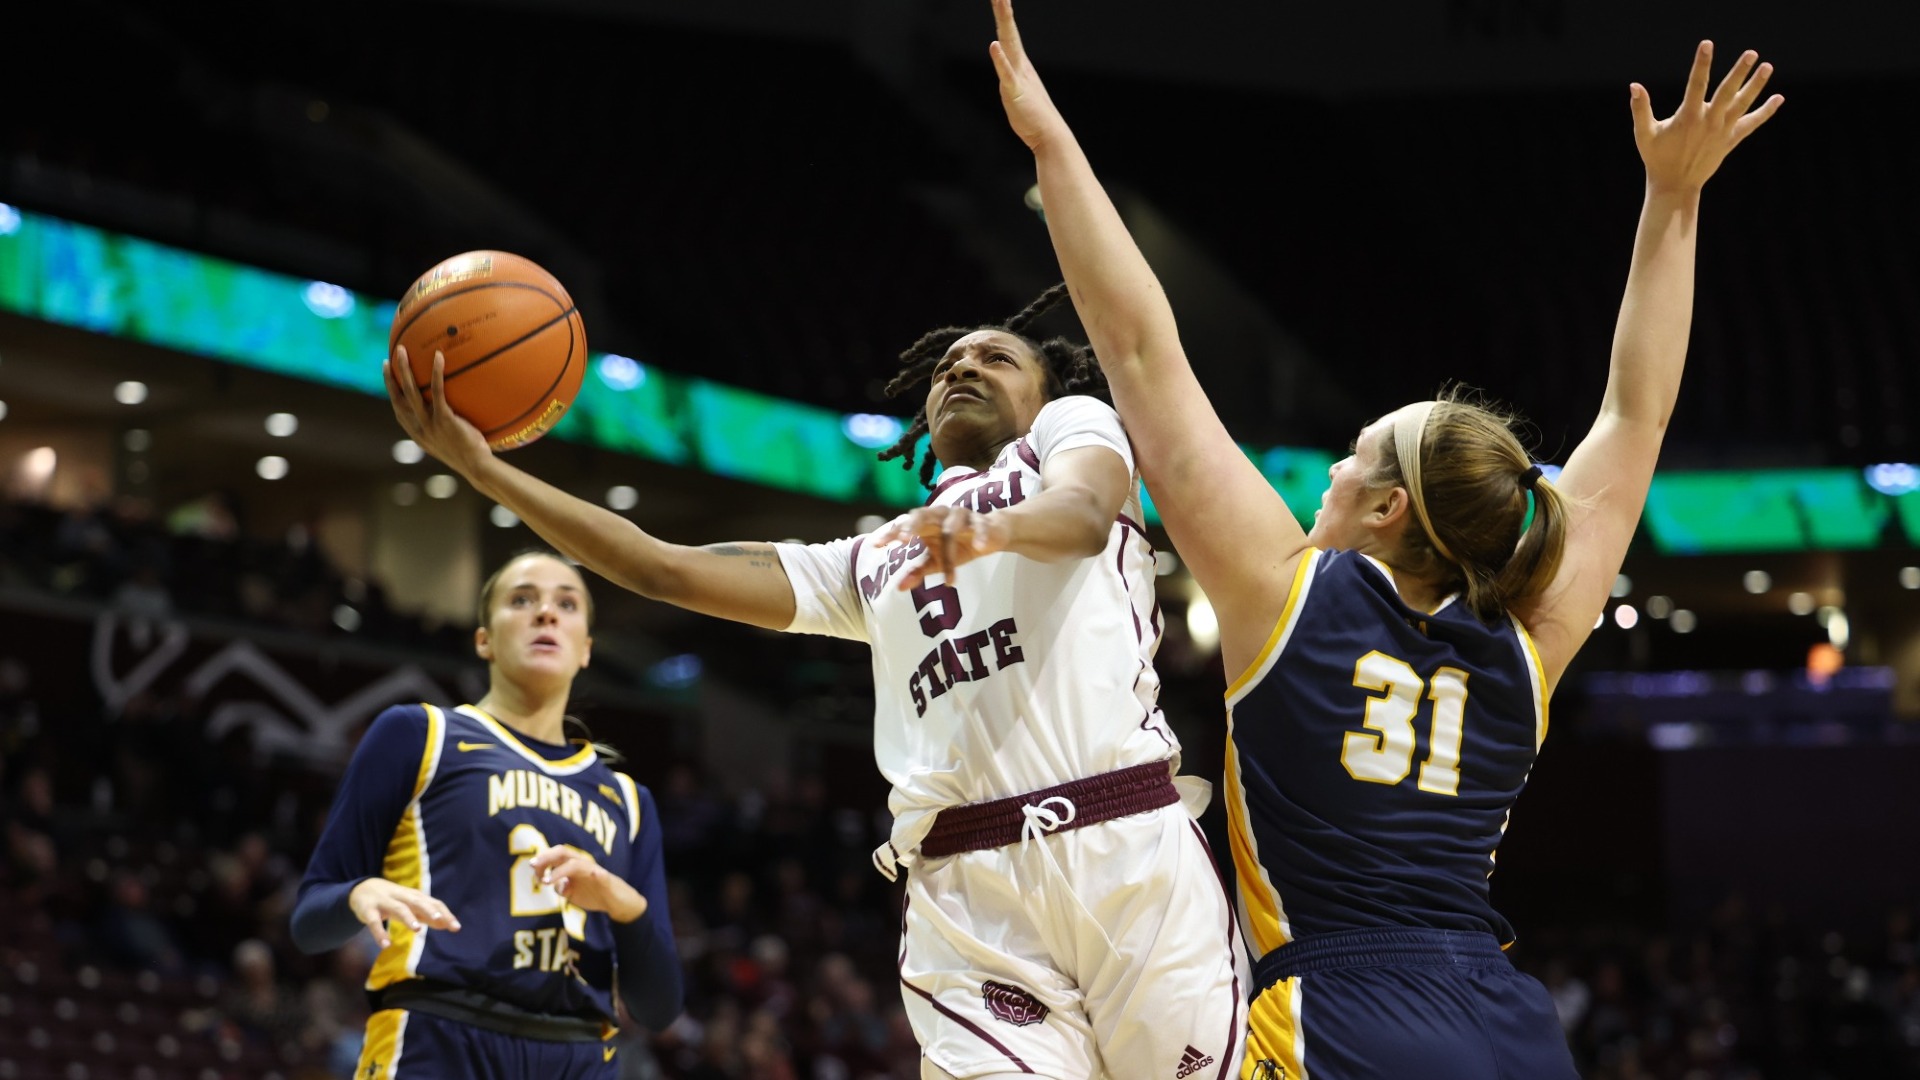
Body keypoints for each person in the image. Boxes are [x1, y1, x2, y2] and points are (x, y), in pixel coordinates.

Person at [983, 2, 1782, 1076]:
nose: (1331, 471)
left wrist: (1050, 143)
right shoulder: (1526, 643)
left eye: (1354, 457)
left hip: (1342, 1013)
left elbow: (1136, 348)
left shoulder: (1284, 598)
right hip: (1508, 1024)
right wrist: (1675, 198)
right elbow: (1635, 419)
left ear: (1388, 508)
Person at [385, 283, 1246, 1080]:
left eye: (995, 358)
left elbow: (1083, 516)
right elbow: (660, 567)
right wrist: (484, 470)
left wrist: (977, 534)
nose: (962, 368)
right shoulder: (867, 562)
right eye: (948, 365)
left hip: (1125, 843)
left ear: (1045, 393)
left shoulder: (1073, 429)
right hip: (968, 896)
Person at [290, 550, 682, 1078]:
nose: (546, 613)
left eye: (566, 604)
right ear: (484, 639)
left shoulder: (629, 802)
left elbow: (659, 1008)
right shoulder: (420, 736)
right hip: (439, 1035)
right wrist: (356, 893)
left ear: (587, 649)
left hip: (579, 1055)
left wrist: (622, 903)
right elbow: (309, 922)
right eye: (522, 600)